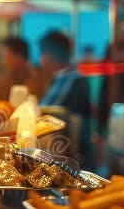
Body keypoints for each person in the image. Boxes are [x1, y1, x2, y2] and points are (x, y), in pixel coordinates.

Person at [38, 31, 93, 165]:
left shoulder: (76, 82)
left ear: (52, 54)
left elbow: (74, 123)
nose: (40, 59)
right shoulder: (58, 80)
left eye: (42, 53)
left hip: (69, 161)